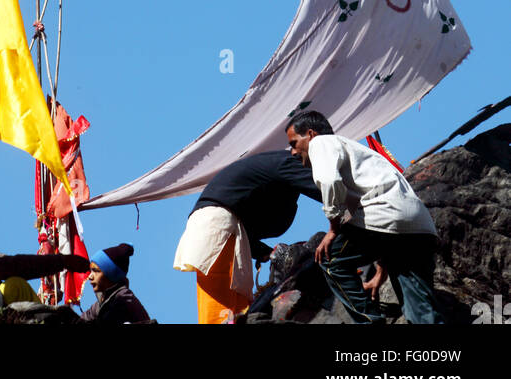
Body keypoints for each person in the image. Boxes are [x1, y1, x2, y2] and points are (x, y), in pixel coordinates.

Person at [286, 109, 442, 324]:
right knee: (421, 310)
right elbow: (381, 224)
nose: (293, 152)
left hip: (385, 215)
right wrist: (380, 273)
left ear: (311, 134)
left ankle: (369, 322)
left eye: (294, 143)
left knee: (331, 259)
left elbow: (330, 181)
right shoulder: (362, 156)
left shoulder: (322, 143)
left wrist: (333, 229)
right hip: (419, 226)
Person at [174, 149, 322, 324]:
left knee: (239, 311)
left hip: (222, 229)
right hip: (218, 226)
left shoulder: (272, 167)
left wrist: (265, 252)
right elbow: (327, 192)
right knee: (221, 314)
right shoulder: (289, 162)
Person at [80, 244, 152, 323]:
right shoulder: (99, 305)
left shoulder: (123, 299)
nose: (90, 277)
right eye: (91, 271)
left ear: (110, 274)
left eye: (96, 271)